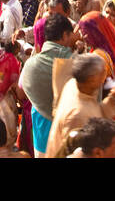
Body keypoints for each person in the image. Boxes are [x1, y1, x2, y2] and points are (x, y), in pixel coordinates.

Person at [45, 52, 115, 157]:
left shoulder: (74, 84)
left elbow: (96, 111)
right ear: (91, 79)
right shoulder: (78, 116)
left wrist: (113, 99)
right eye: (102, 72)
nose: (105, 75)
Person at [19, 13, 75, 156]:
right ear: (63, 35)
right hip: (67, 134)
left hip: (41, 129)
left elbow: (23, 91)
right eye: (70, 35)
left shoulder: (30, 64)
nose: (72, 39)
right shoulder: (75, 64)